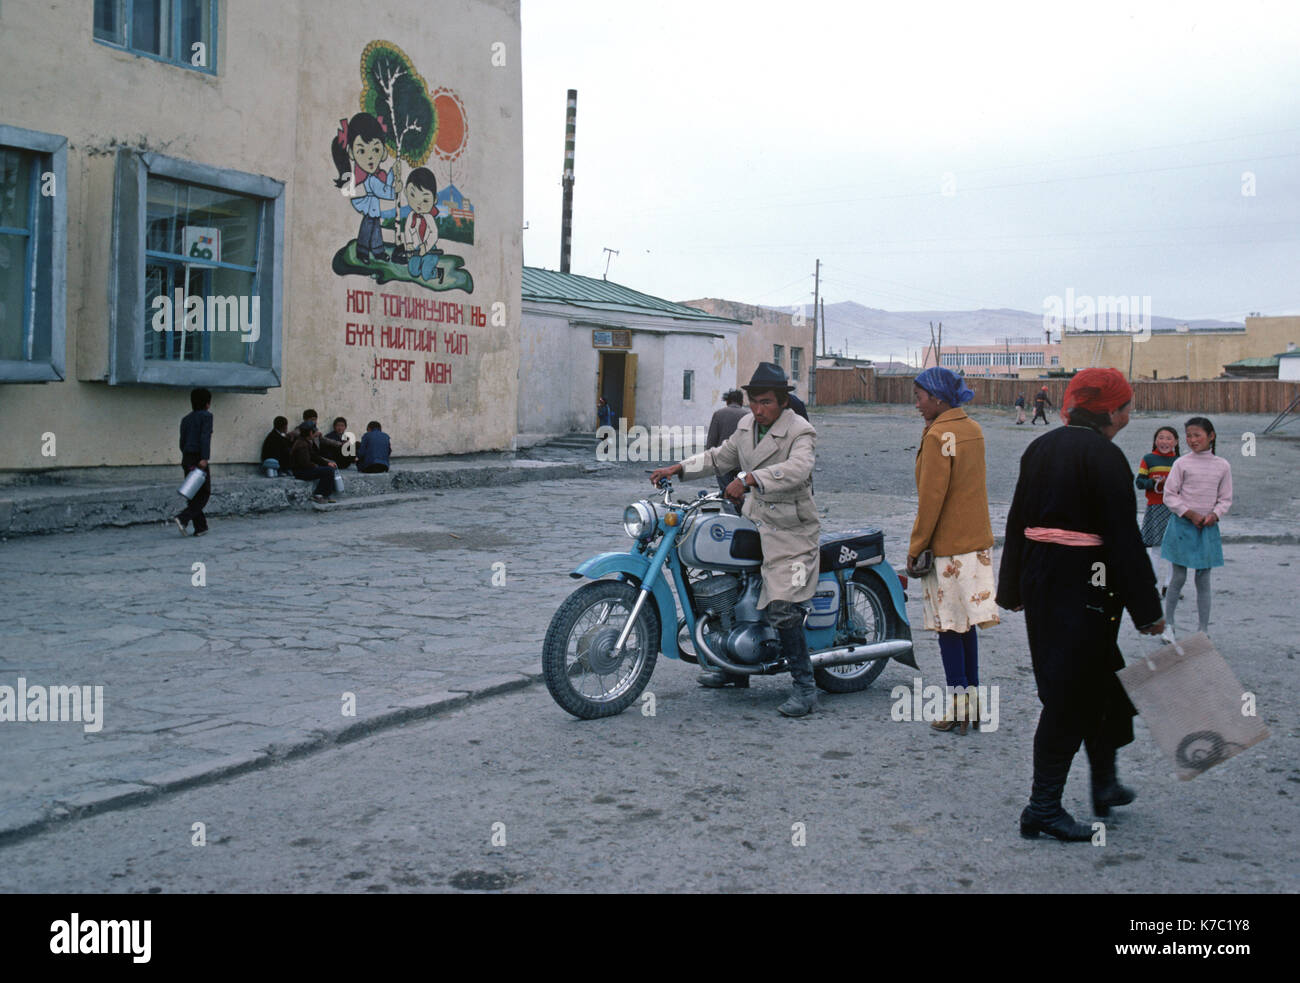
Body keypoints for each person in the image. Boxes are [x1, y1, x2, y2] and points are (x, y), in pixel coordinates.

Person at [997, 368, 1165, 842]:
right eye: (1128, 407)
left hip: (1044, 579)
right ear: (1110, 411)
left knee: (1104, 682)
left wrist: (1010, 588)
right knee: (1069, 695)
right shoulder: (1108, 458)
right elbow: (1124, 542)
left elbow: (1017, 520)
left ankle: (1105, 783)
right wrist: (1148, 611)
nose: (1130, 415)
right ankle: (1042, 809)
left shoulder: (1040, 447)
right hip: (1086, 586)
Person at [649, 362, 821, 717]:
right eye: (754, 401)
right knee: (728, 580)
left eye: (767, 402)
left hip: (791, 529)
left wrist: (751, 479)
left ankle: (805, 687)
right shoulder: (746, 426)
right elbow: (718, 456)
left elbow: (798, 469)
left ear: (783, 401)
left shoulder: (800, 431)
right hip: (754, 520)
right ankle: (734, 668)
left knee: (781, 604)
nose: (759, 409)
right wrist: (678, 469)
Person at [907, 367, 999, 734]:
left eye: (920, 397)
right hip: (975, 546)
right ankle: (971, 706)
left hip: (947, 550)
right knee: (966, 628)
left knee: (949, 629)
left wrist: (916, 547)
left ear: (938, 397)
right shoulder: (972, 430)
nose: (917, 405)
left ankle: (960, 708)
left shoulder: (938, 436)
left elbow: (932, 499)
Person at [1160, 417, 1232, 640]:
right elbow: (1169, 495)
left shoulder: (1222, 465)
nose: (1192, 440)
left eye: (1197, 435)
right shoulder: (1181, 463)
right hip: (1183, 525)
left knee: (1203, 580)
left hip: (1207, 527)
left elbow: (1225, 498)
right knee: (1178, 578)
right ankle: (1168, 626)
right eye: (1189, 435)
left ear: (1211, 436)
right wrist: (1189, 513)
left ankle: (1203, 630)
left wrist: (1214, 515)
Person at [1135, 426, 1180, 596]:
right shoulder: (1148, 459)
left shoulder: (1180, 461)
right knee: (1156, 548)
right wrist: (1155, 484)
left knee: (1173, 548)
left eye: (1169, 438)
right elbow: (1139, 482)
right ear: (1155, 441)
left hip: (1175, 508)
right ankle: (1151, 585)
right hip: (1155, 506)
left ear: (1175, 442)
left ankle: (1169, 586)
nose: (1164, 442)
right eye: (1161, 438)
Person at [174, 388, 213, 536]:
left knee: (193, 493)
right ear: (207, 404)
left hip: (187, 457)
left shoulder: (186, 419)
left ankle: (201, 527)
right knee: (204, 493)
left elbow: (182, 441)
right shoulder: (207, 417)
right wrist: (204, 457)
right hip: (199, 458)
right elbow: (205, 437)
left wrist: (186, 455)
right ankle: (183, 518)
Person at [705, 389, 747, 495]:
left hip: (723, 460)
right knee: (741, 491)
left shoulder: (719, 414)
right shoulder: (747, 416)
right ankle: (740, 510)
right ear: (741, 402)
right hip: (742, 461)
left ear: (727, 402)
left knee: (726, 492)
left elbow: (711, 440)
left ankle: (730, 511)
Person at [290, 421, 338, 503]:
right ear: (310, 432)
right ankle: (318, 495)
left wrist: (327, 463)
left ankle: (326, 495)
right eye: (314, 432)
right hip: (300, 472)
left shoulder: (305, 442)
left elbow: (314, 456)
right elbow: (305, 464)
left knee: (329, 469)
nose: (316, 434)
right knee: (328, 471)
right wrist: (317, 466)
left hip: (304, 469)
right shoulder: (302, 445)